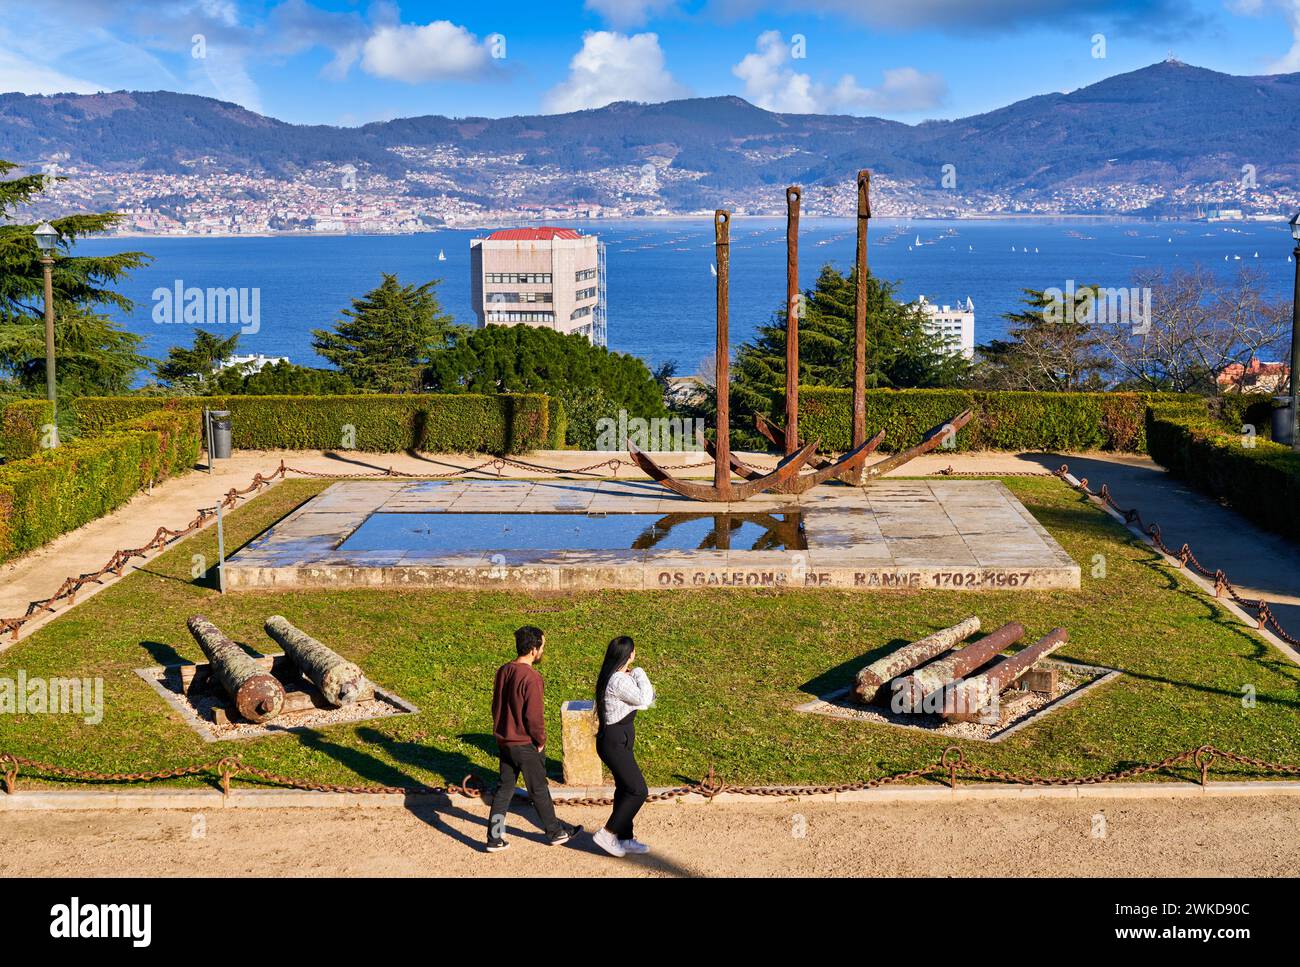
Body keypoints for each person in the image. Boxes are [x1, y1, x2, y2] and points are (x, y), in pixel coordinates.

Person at [486, 626, 580, 853]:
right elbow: (534, 717)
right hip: (525, 743)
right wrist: (540, 740)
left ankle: (494, 837)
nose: (542, 651)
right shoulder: (531, 678)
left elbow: (495, 706)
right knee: (538, 789)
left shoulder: (503, 670)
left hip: (505, 742)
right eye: (542, 647)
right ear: (533, 649)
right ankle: (555, 831)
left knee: (504, 790)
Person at [592, 635, 654, 857]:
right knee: (638, 790)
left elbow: (644, 700)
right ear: (631, 655)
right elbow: (645, 699)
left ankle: (625, 838)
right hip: (614, 742)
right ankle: (607, 834)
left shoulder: (617, 676)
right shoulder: (619, 680)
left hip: (620, 739)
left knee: (625, 788)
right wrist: (640, 673)